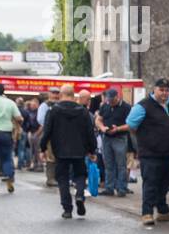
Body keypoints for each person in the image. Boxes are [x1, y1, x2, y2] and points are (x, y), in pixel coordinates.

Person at [126, 78, 169, 227]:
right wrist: (147, 139)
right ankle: (147, 213)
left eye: (167, 90)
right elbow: (131, 126)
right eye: (161, 90)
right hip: (151, 153)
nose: (164, 93)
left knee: (165, 182)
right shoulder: (143, 106)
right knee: (151, 183)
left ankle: (163, 211)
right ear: (154, 89)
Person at [39, 83, 97, 219]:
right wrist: (92, 150)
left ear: (60, 95)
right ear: (74, 94)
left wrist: (42, 148)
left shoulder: (53, 111)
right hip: (79, 149)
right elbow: (90, 133)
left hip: (60, 150)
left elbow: (47, 132)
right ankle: (80, 195)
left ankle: (67, 209)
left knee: (62, 178)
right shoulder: (83, 112)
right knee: (80, 175)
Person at [97, 87, 132, 197]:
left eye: (112, 100)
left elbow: (130, 124)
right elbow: (98, 119)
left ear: (117, 97)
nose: (110, 103)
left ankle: (121, 188)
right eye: (108, 100)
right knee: (108, 164)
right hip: (107, 137)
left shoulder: (126, 107)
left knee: (121, 164)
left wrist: (118, 129)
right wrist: (102, 128)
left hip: (120, 138)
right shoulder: (105, 106)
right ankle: (109, 188)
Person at [18, 98, 39, 169]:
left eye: (33, 105)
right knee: (29, 148)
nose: (32, 106)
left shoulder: (38, 112)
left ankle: (36, 164)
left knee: (35, 149)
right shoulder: (27, 112)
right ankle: (30, 164)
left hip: (36, 132)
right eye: (31, 105)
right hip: (29, 132)